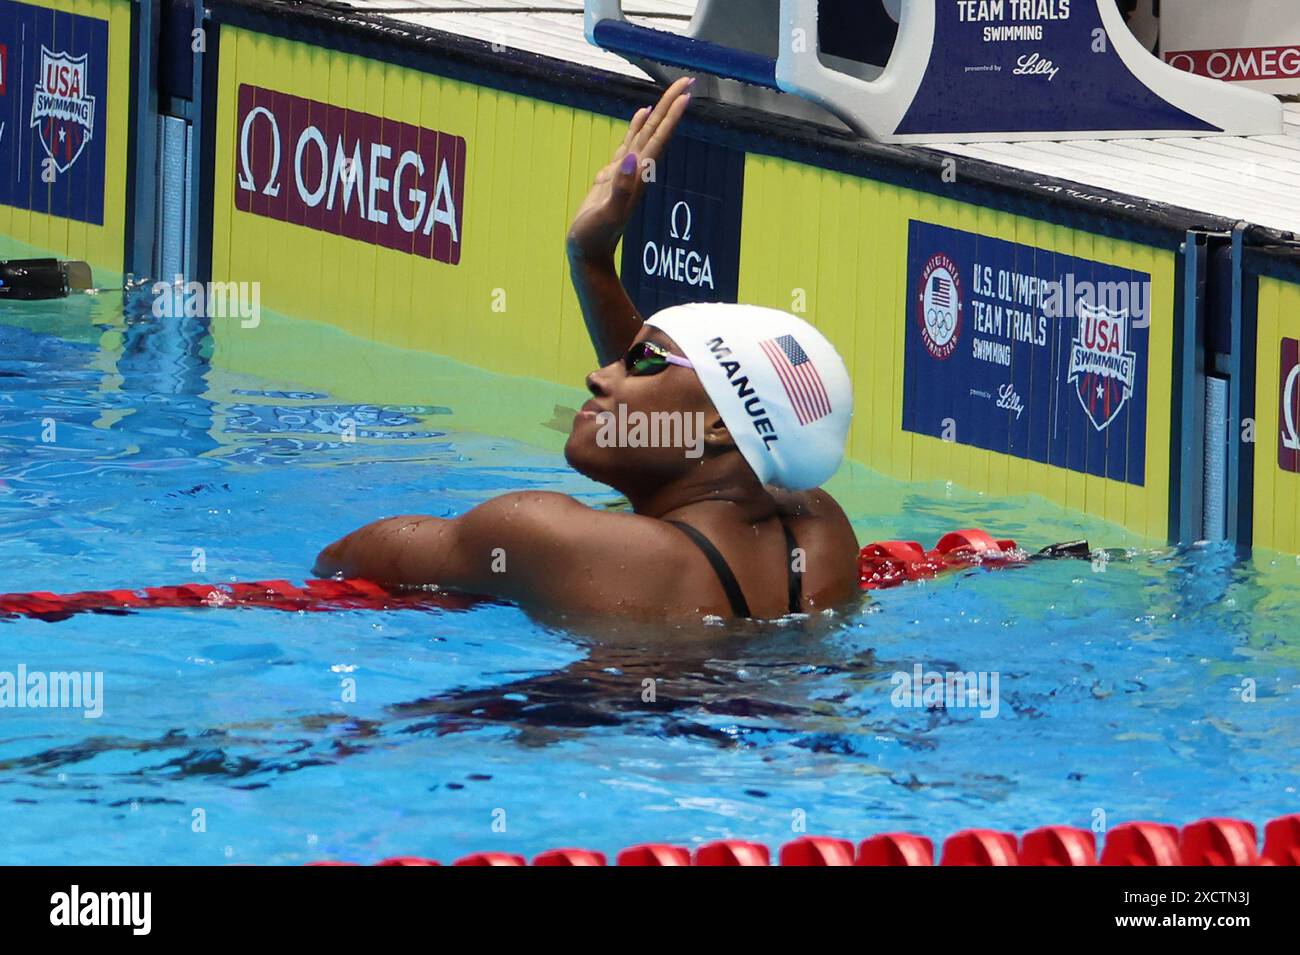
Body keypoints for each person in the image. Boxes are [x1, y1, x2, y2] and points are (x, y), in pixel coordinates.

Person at [313, 77, 860, 619]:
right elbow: (703, 410)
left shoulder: (557, 539)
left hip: (584, 707)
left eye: (640, 362)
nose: (598, 376)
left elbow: (342, 559)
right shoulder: (821, 534)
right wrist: (591, 259)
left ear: (719, 428)